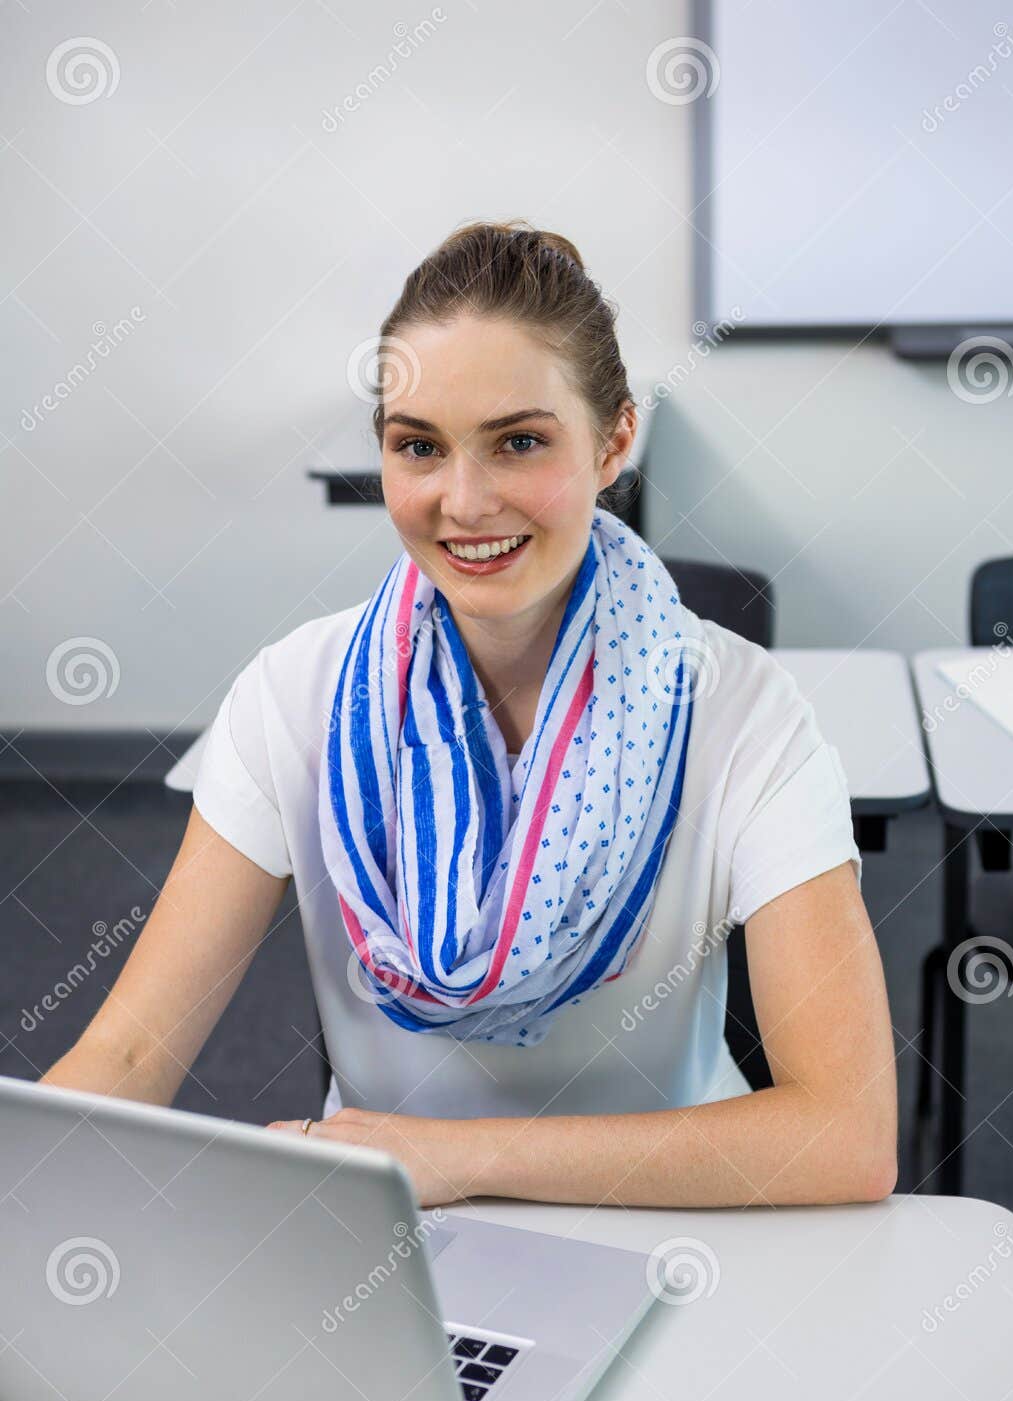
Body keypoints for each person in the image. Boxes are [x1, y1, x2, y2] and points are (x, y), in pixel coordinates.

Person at [41, 220, 897, 1211]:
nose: (464, 500)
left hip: (683, 1220)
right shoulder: (293, 695)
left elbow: (844, 1134)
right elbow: (132, 1050)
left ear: (614, 438)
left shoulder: (744, 713)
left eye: (520, 441)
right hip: (392, 1230)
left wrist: (462, 1160)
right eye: (419, 448)